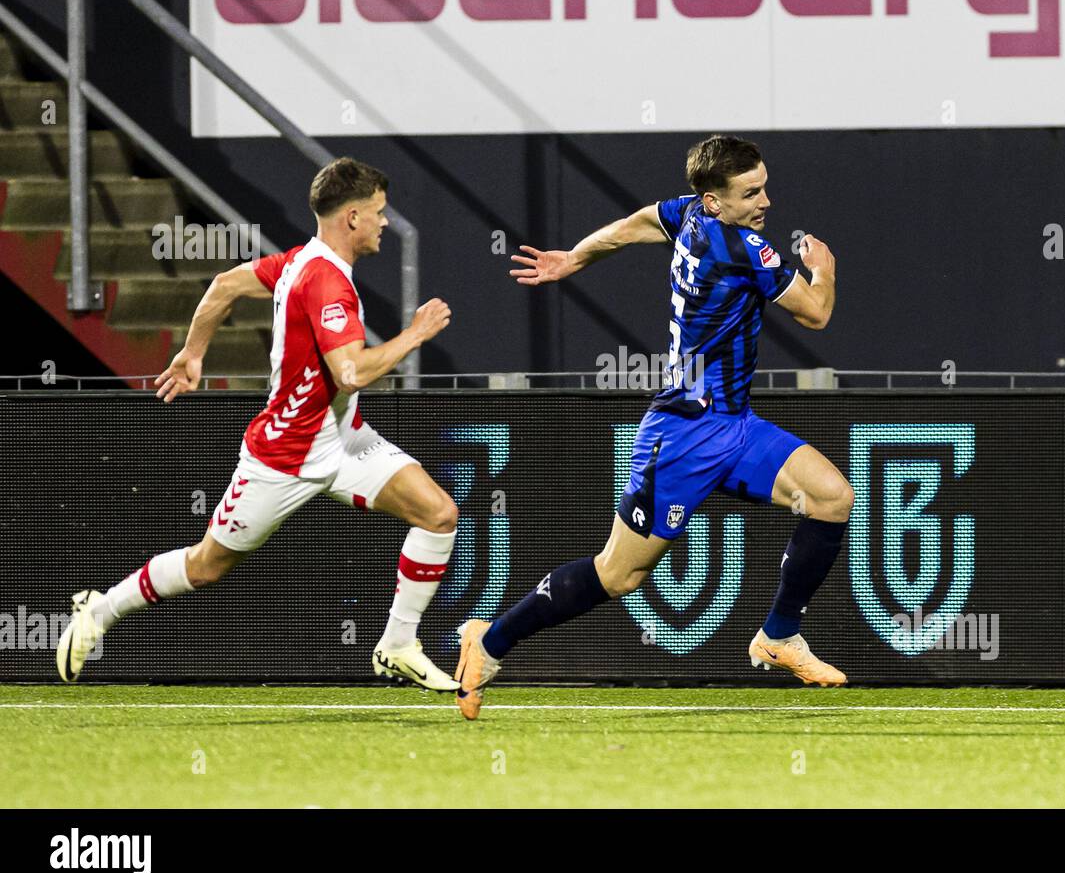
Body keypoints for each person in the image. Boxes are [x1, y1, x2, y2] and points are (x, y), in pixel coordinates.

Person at [453, 135, 853, 719]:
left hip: (734, 426)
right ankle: (488, 644)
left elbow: (631, 225)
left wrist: (573, 258)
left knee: (830, 496)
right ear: (716, 201)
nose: (766, 200)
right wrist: (824, 272)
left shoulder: (687, 213)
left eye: (764, 185)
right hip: (683, 436)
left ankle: (779, 637)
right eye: (751, 192)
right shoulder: (746, 250)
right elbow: (817, 313)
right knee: (618, 575)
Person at [57, 157, 461, 691]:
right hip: (286, 455)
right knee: (205, 567)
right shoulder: (326, 284)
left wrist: (193, 354)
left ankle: (398, 644)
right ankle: (100, 610)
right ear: (354, 218)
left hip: (343, 441)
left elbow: (224, 284)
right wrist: (415, 334)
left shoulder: (299, 261)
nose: (387, 222)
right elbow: (350, 370)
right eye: (380, 213)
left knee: (438, 514)